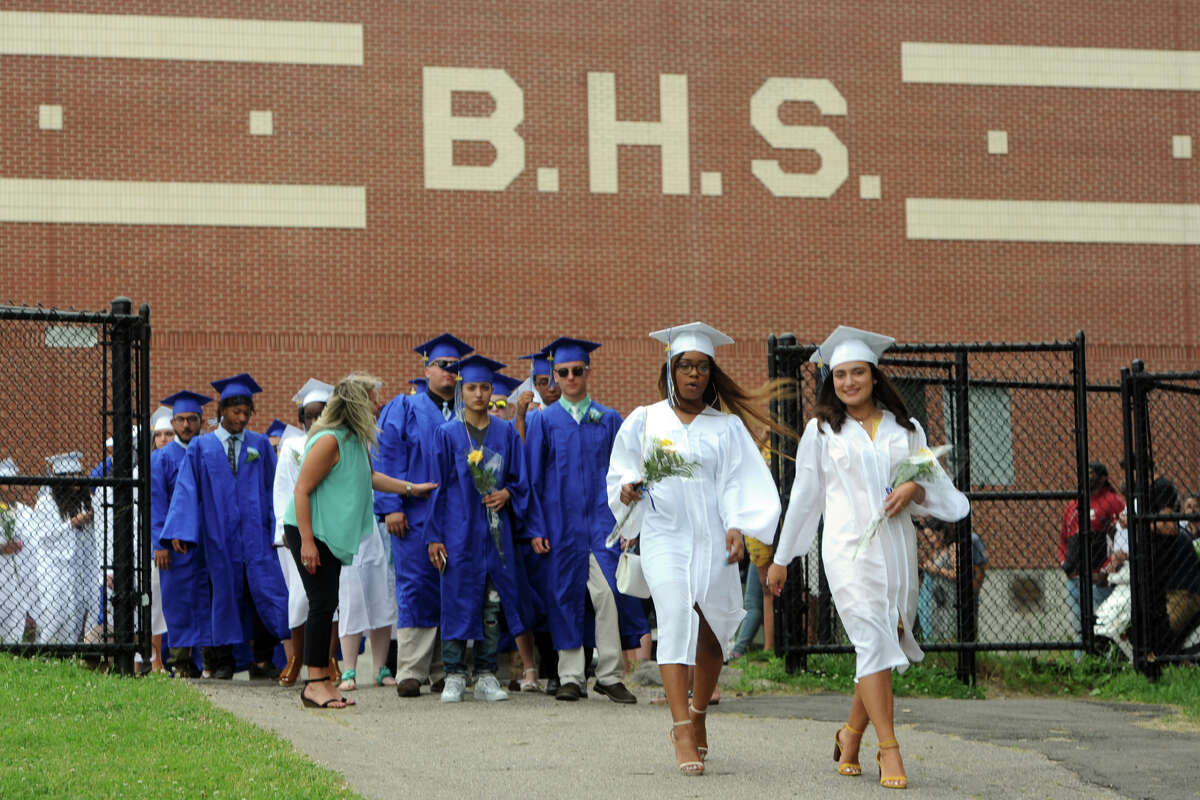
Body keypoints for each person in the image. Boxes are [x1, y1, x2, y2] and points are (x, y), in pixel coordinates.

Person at [768, 325, 970, 790]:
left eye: (857, 372)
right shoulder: (822, 431)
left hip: (896, 548)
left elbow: (934, 487)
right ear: (831, 381)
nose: (849, 382)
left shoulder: (906, 428)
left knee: (881, 641)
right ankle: (890, 748)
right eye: (840, 375)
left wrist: (913, 487)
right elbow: (805, 498)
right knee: (872, 638)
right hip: (847, 550)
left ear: (874, 376)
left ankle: (850, 735)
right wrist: (782, 557)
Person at [608, 322, 788, 776]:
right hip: (664, 535)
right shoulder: (645, 420)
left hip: (712, 537)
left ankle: (700, 711)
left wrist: (737, 526)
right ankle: (682, 728)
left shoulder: (726, 427)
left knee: (712, 631)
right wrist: (626, 490)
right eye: (685, 366)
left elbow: (737, 481)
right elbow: (621, 470)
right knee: (673, 620)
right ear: (670, 370)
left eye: (702, 367)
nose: (694, 374)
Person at [282, 373, 434, 708]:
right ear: (355, 405)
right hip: (310, 531)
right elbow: (301, 491)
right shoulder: (329, 441)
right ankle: (314, 683)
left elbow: (372, 477)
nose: (377, 406)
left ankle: (323, 680)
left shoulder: (355, 441)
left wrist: (412, 489)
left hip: (329, 533)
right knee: (321, 603)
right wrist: (306, 542)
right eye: (372, 400)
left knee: (327, 603)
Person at [526, 336, 642, 704]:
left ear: (588, 371)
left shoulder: (608, 419)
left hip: (602, 525)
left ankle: (609, 675)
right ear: (555, 377)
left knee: (609, 594)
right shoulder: (544, 422)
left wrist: (627, 524)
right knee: (565, 596)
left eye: (577, 370)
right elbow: (533, 480)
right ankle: (571, 677)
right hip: (560, 526)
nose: (571, 377)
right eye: (563, 373)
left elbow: (626, 474)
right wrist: (536, 527)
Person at [161, 373, 289, 680]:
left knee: (260, 593)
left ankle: (263, 660)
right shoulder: (201, 446)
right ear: (221, 410)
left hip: (256, 536)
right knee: (220, 594)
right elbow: (187, 489)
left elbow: (274, 490)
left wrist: (278, 528)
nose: (242, 418)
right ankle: (223, 661)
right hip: (217, 536)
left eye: (246, 413)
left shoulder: (260, 444)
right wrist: (180, 530)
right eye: (236, 412)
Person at [427, 355, 531, 703]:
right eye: (471, 387)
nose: (479, 394)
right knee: (455, 599)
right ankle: (455, 674)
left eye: (485, 387)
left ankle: (486, 674)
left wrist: (507, 493)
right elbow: (437, 488)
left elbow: (520, 480)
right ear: (461, 390)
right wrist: (434, 536)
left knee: (492, 603)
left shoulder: (506, 433)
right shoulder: (447, 434)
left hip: (495, 534)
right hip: (458, 532)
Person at [375, 333, 472, 697]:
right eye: (442, 365)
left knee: (450, 587)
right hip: (413, 516)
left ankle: (444, 669)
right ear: (427, 369)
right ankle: (411, 670)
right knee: (416, 586)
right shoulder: (404, 408)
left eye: (454, 367)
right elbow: (388, 457)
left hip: (455, 518)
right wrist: (392, 507)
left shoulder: (466, 411)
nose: (449, 372)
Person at [273, 379, 334, 687]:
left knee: (332, 598)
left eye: (321, 413)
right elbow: (283, 489)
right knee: (300, 598)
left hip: (331, 530)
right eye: (309, 416)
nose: (315, 420)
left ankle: (329, 659)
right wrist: (282, 528)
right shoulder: (293, 447)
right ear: (302, 419)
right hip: (298, 531)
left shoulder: (336, 443)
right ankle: (297, 657)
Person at [154, 390, 210, 677]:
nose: (186, 425)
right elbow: (157, 503)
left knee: (208, 597)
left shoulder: (208, 451)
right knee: (178, 600)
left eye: (192, 419)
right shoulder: (161, 458)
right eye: (181, 420)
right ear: (173, 422)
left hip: (209, 541)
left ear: (202, 421)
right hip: (175, 545)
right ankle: (180, 661)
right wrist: (159, 543)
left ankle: (209, 660)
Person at [1058, 462, 1124, 657]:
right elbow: (1063, 539)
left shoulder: (1113, 501)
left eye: (1091, 473)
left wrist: (1106, 570)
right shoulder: (1073, 506)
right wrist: (1064, 563)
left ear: (1103, 478)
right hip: (1075, 577)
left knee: (1103, 625)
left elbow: (1121, 540)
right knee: (1080, 627)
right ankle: (1082, 664)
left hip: (1099, 578)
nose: (1086, 477)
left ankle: (1105, 661)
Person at [33, 452, 95, 643]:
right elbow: (45, 536)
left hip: (74, 566)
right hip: (51, 566)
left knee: (72, 615)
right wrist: (72, 523)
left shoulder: (80, 502)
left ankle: (68, 653)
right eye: (70, 476)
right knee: (54, 613)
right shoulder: (46, 503)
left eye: (78, 474)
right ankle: (44, 650)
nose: (75, 480)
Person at [0, 458, 34, 644]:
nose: (12, 488)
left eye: (14, 483)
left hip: (22, 575)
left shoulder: (26, 512)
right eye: (7, 483)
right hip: (2, 571)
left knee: (17, 617)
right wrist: (2, 548)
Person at [514, 347, 561, 440]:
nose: (551, 388)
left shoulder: (575, 416)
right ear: (535, 385)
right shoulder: (527, 419)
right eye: (544, 382)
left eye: (556, 381)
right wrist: (520, 417)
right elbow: (518, 448)